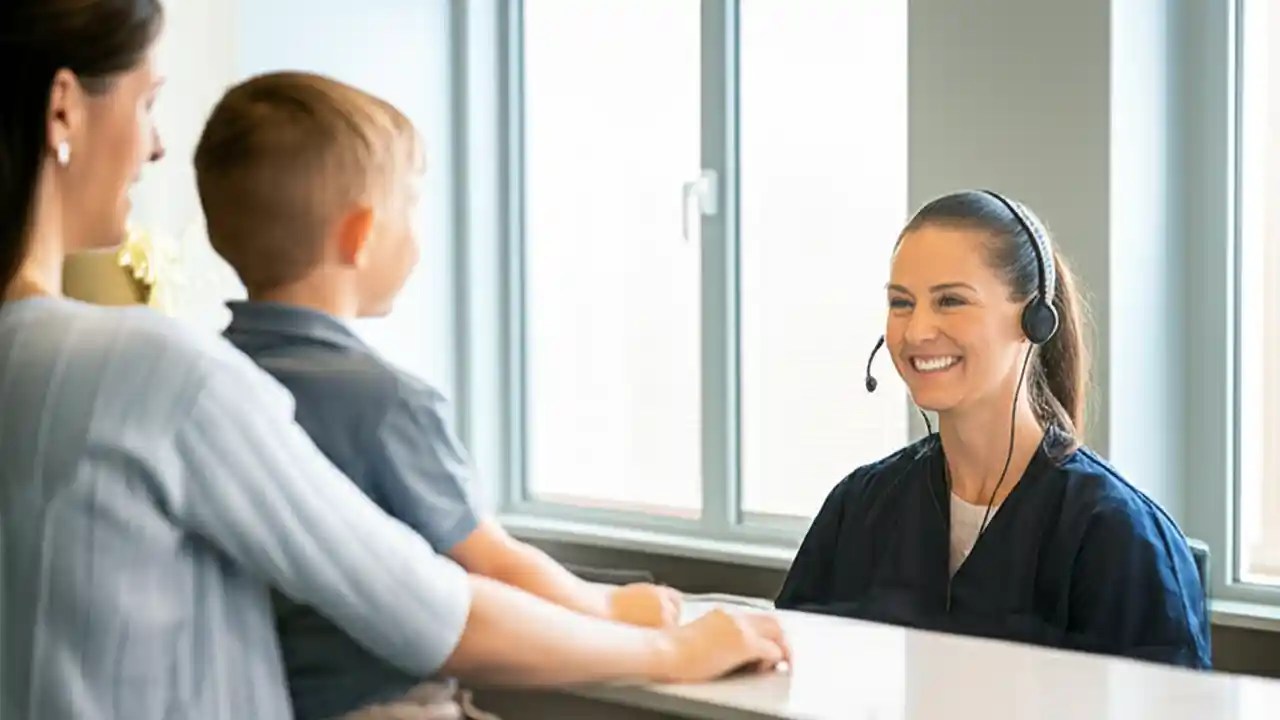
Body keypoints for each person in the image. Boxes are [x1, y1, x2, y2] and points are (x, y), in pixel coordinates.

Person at [0, 2, 789, 718]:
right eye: (146, 101)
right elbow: (432, 609)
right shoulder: (152, 373)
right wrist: (673, 646)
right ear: (64, 105)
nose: (158, 142)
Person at [194, 70, 687, 719]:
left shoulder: (206, 382)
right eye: (411, 204)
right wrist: (613, 608)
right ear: (361, 233)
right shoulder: (386, 403)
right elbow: (491, 566)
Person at [775, 190, 1211, 669]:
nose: (917, 331)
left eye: (951, 301)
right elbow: (794, 679)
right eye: (901, 303)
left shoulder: (1120, 538)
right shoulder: (857, 507)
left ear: (1033, 320)